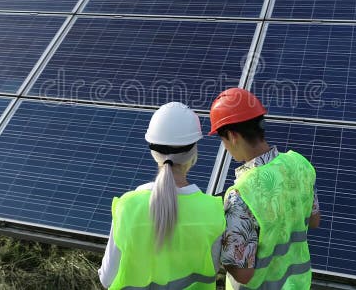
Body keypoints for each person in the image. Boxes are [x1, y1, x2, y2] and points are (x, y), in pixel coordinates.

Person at [98, 102, 225, 289]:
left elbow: (107, 279)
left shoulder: (127, 206)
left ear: (153, 152)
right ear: (193, 152)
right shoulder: (213, 210)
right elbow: (213, 268)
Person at [209, 88, 320, 289]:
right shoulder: (299, 164)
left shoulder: (240, 195)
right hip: (299, 284)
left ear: (233, 136)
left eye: (222, 139)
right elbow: (314, 220)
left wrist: (218, 242)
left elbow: (243, 274)